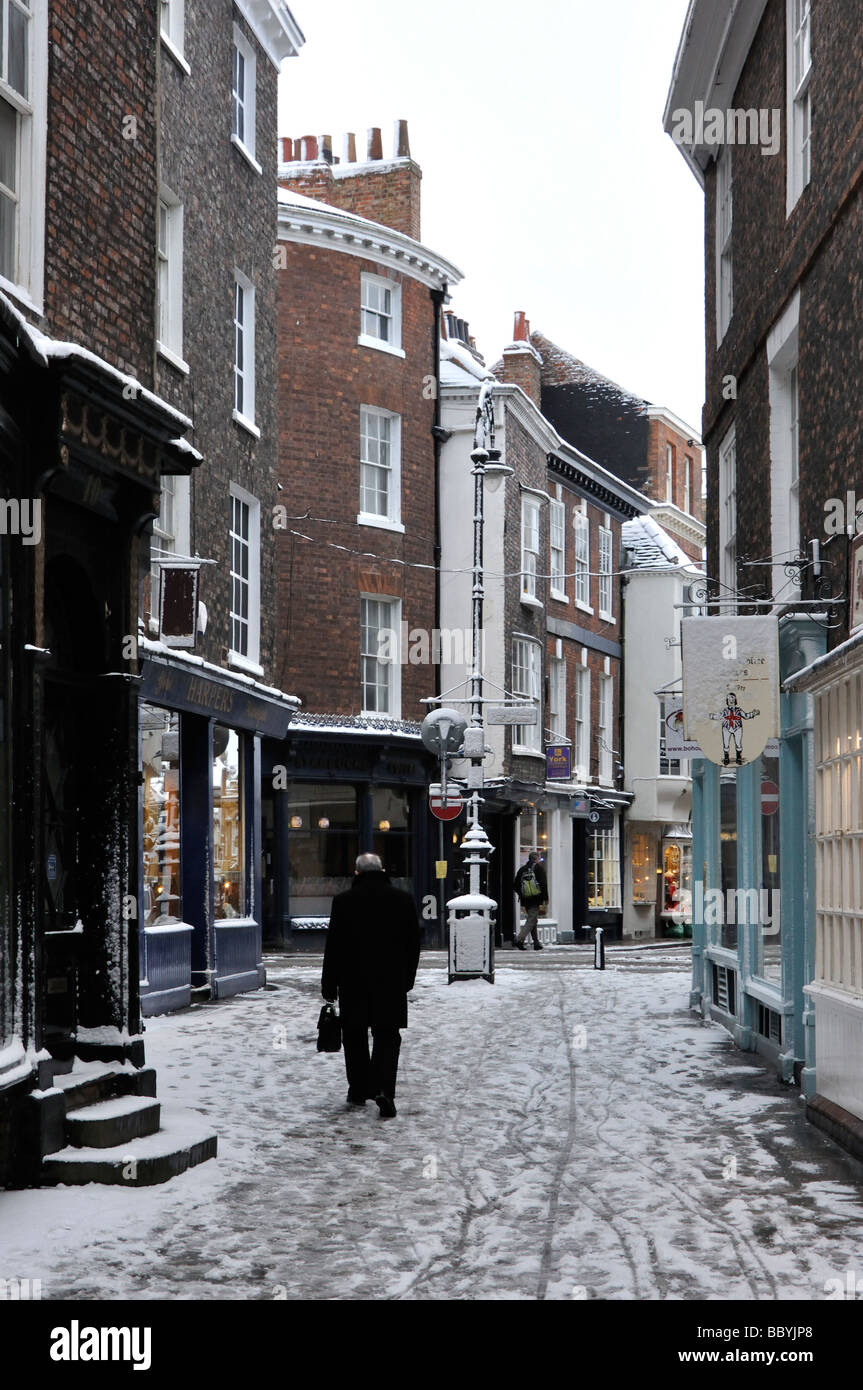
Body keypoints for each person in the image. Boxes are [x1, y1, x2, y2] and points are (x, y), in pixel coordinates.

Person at [321, 853, 421, 1119]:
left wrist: (329, 986)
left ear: (356, 873)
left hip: (353, 982)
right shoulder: (402, 900)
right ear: (383, 870)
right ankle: (384, 1090)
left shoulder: (343, 902)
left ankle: (358, 1088)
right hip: (391, 982)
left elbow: (334, 948)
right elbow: (413, 945)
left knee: (354, 1036)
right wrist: (407, 979)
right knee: (387, 1036)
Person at [512, 851, 547, 951]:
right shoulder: (539, 869)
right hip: (536, 898)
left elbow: (515, 885)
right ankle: (519, 939)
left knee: (533, 919)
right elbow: (543, 884)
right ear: (537, 858)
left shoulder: (522, 869)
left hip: (525, 899)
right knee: (531, 919)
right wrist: (545, 898)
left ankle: (536, 943)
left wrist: (523, 894)